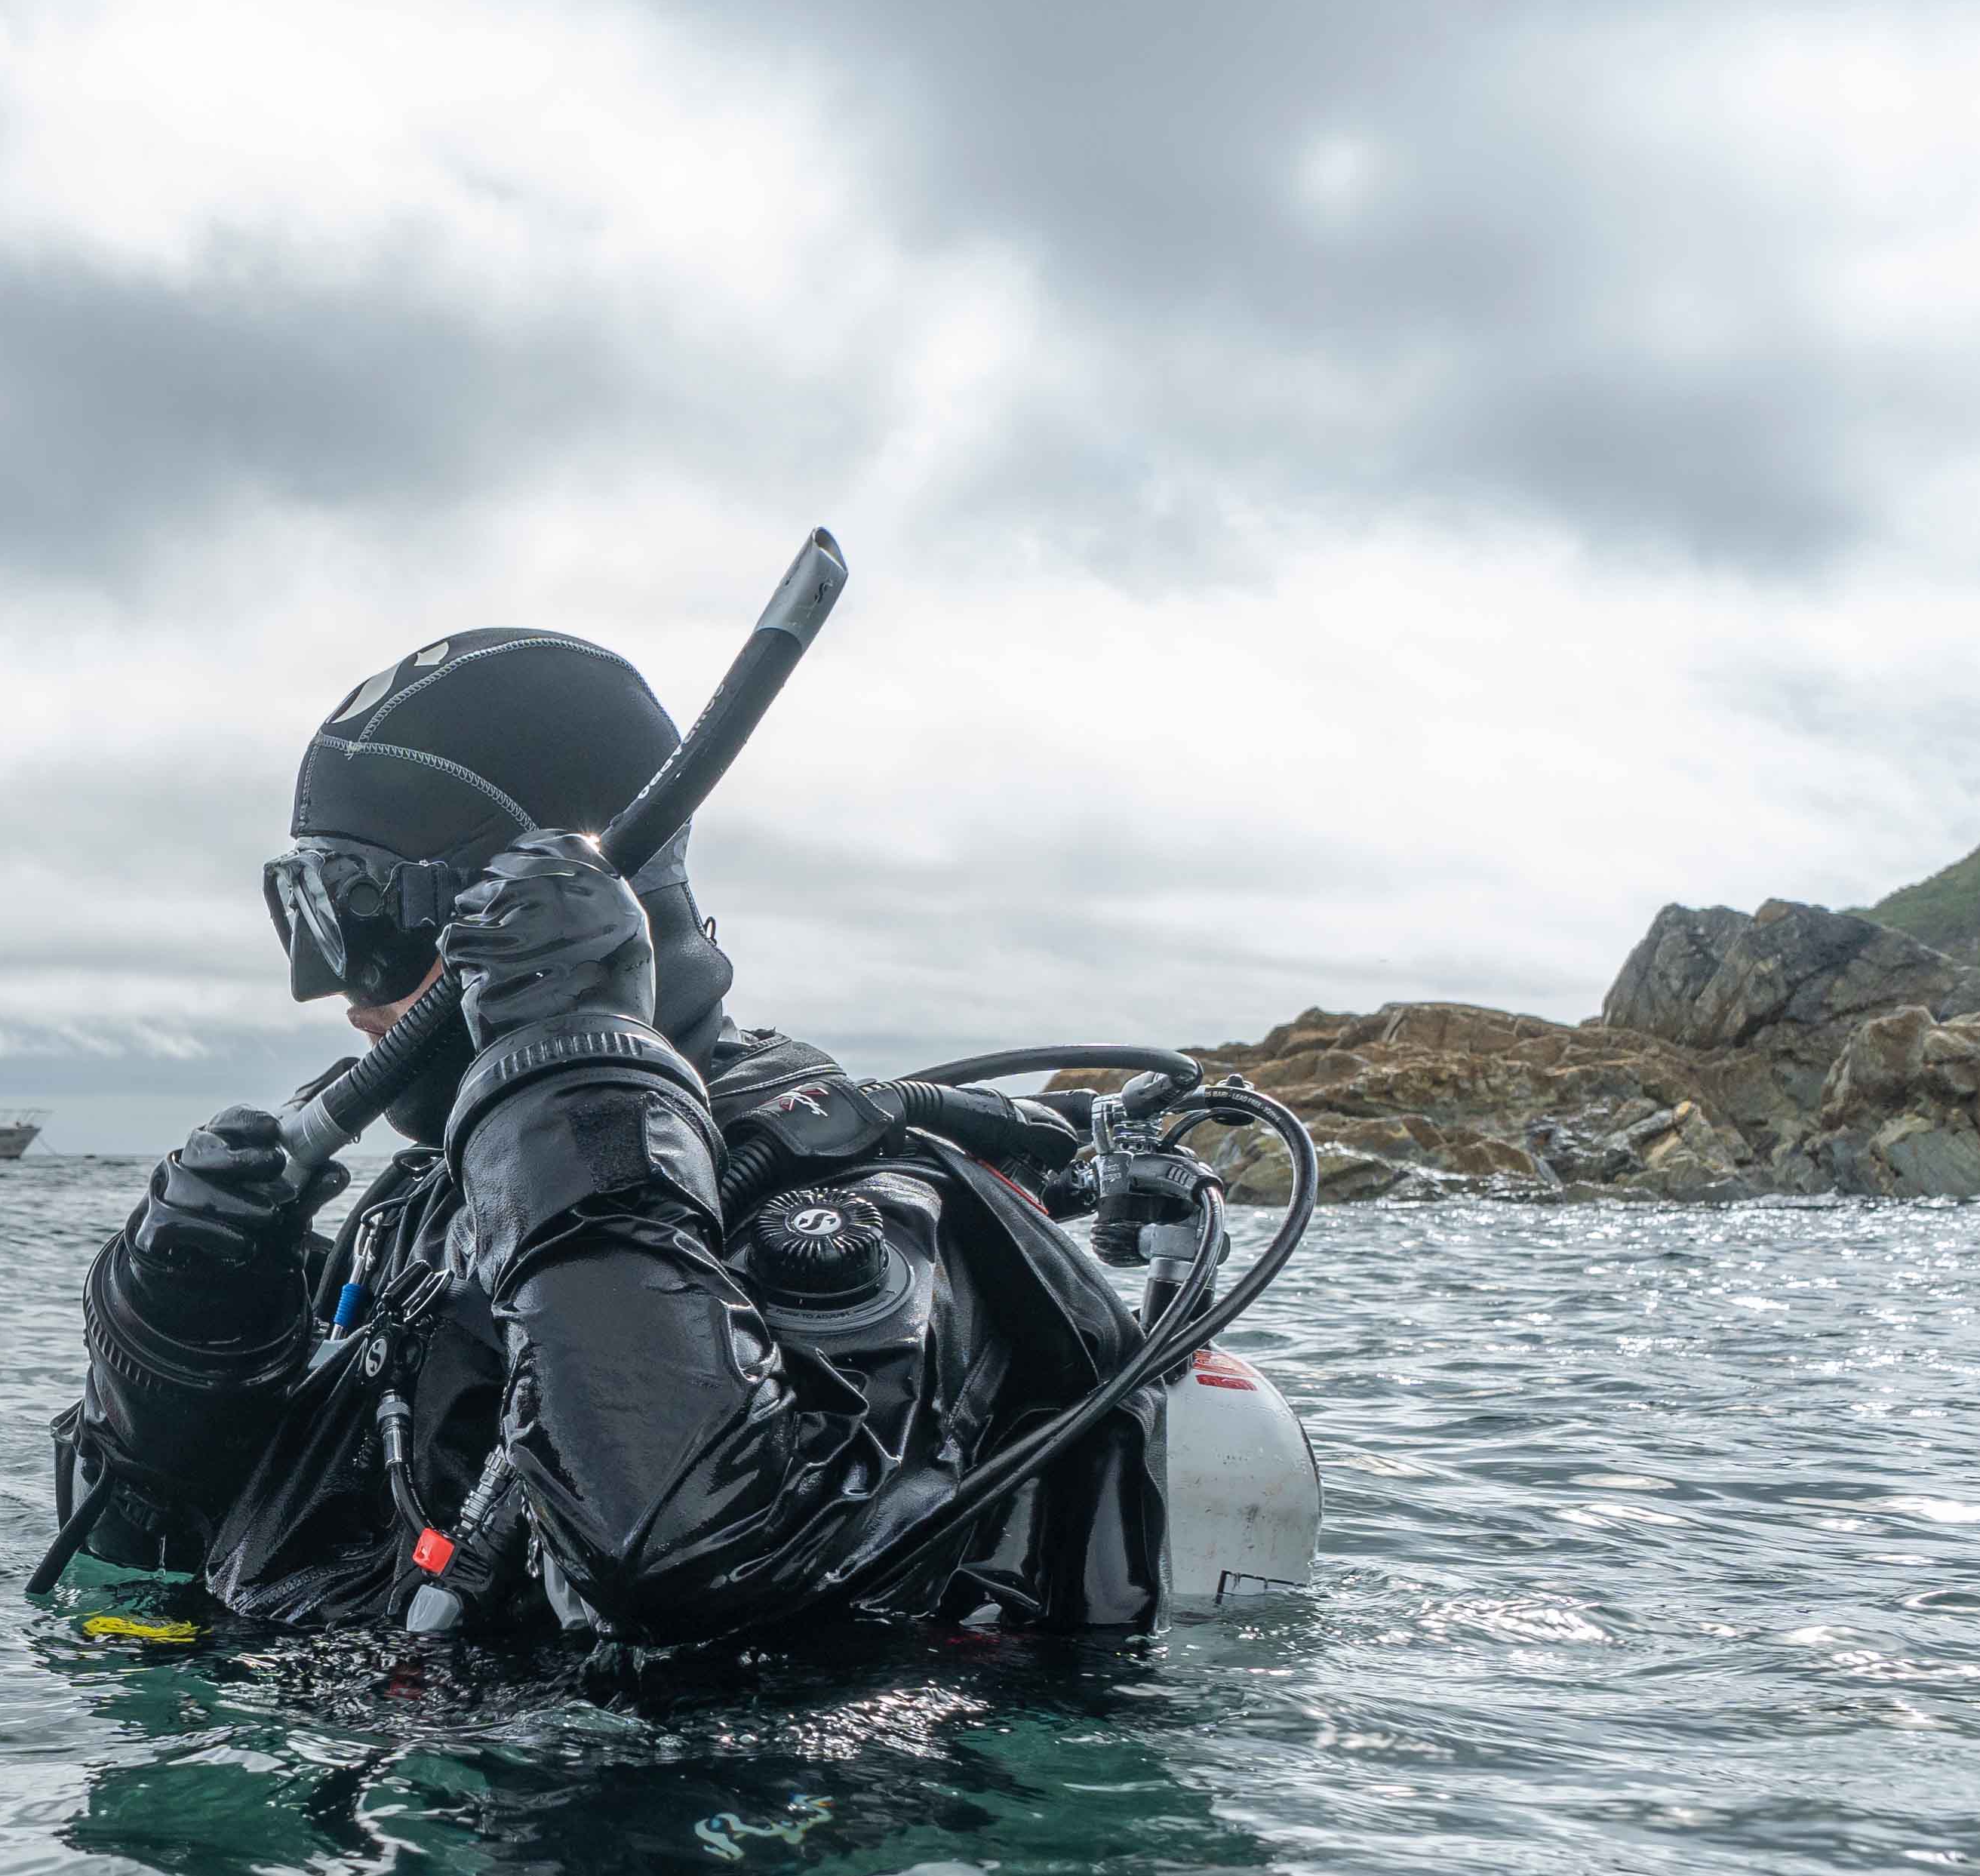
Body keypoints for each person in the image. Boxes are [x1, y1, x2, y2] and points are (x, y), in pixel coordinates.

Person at [59, 626, 1179, 1645]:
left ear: (540, 905)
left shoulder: (852, 1215)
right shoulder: (424, 1212)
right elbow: (148, 1557)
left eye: (358, 917)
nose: (324, 990)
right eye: (295, 908)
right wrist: (181, 1335)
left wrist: (578, 1101)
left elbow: (688, 1562)